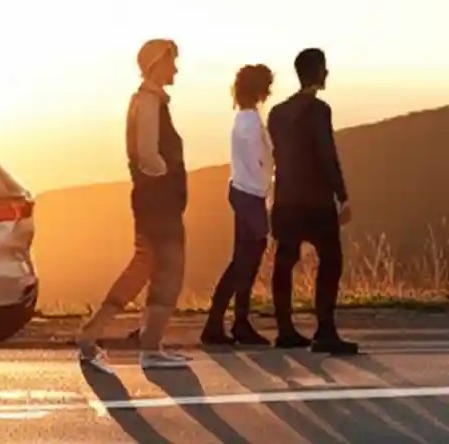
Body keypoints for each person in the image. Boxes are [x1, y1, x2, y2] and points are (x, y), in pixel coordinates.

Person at [76, 39, 191, 372]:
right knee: (168, 270)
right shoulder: (149, 101)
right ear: (157, 64)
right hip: (159, 201)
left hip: (150, 199)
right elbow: (146, 152)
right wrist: (167, 178)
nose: (176, 69)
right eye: (172, 62)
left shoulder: (145, 100)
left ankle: (93, 334)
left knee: (143, 266)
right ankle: (150, 347)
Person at [268, 48, 359, 354]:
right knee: (331, 260)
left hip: (285, 198)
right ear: (317, 71)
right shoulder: (319, 110)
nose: (327, 74)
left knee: (285, 261)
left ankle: (285, 329)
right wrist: (342, 195)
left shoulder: (277, 113)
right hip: (316, 200)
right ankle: (325, 330)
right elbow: (325, 153)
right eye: (324, 68)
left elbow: (278, 156)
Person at [202, 64, 275, 346]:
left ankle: (227, 321)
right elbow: (260, 160)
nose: (268, 91)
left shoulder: (245, 118)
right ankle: (230, 321)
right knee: (246, 259)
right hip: (250, 195)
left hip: (243, 191)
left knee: (244, 258)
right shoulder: (251, 122)